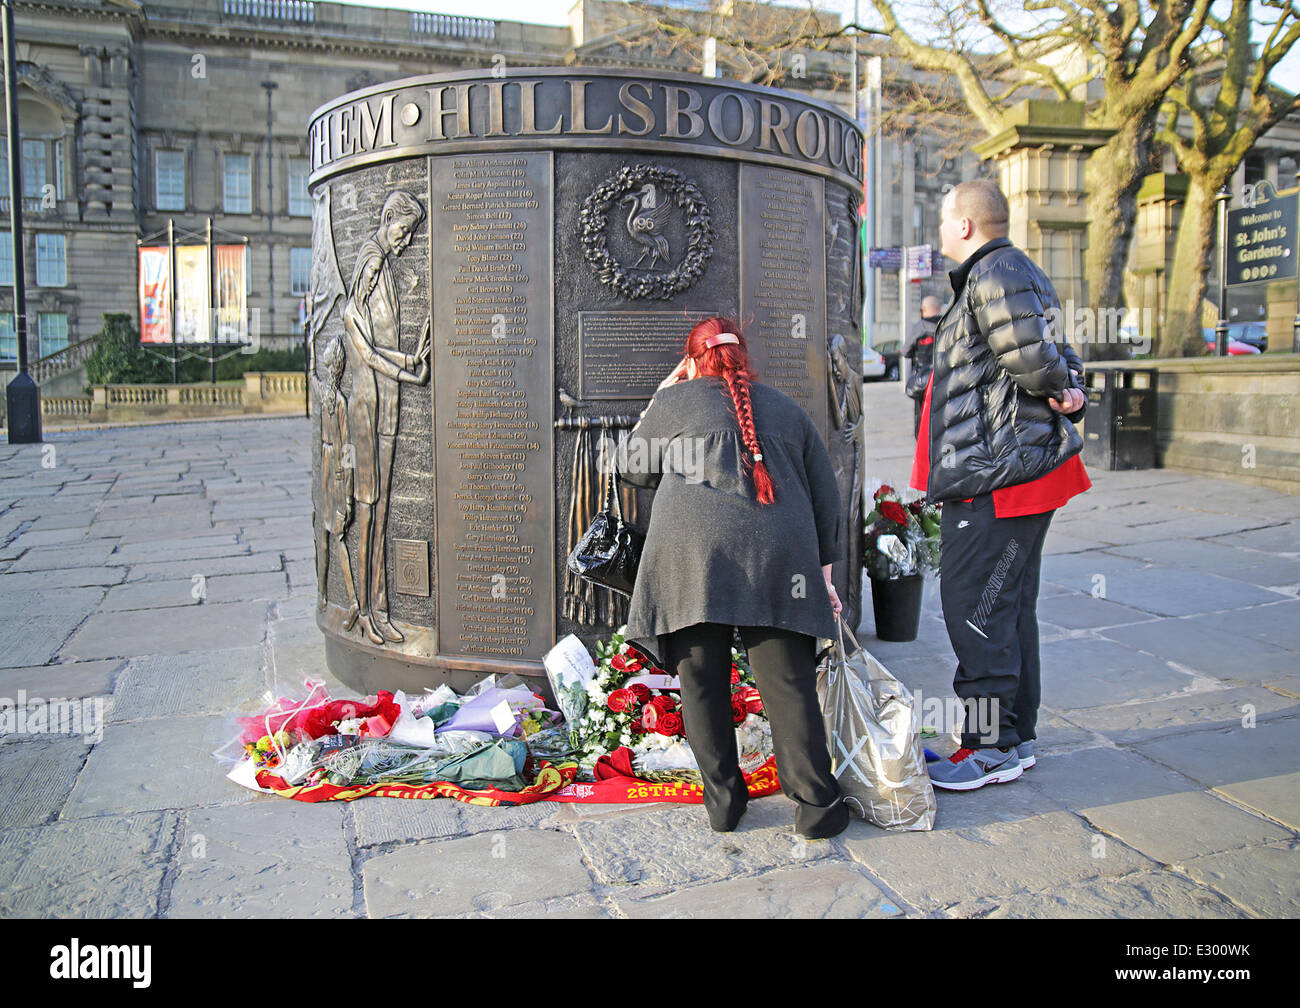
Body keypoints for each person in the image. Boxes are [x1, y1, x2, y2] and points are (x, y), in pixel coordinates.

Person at [616, 317, 850, 839]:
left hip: (691, 561)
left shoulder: (675, 404)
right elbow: (826, 502)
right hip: (781, 561)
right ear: (744, 357)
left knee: (701, 683)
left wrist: (663, 391)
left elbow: (631, 469)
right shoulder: (788, 409)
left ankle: (723, 803)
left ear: (693, 361)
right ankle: (817, 806)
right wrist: (825, 579)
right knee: (787, 684)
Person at [911, 179, 1090, 792]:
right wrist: (1068, 385)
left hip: (996, 475)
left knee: (976, 611)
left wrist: (1057, 383)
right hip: (1010, 471)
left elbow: (1035, 357)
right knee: (1010, 608)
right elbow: (1059, 353)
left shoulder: (994, 272)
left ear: (963, 226)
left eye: (942, 225)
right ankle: (1014, 739)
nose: (939, 236)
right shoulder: (1017, 271)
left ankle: (986, 748)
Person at [903, 295, 941, 437]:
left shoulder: (919, 328)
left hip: (923, 380)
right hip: (944, 377)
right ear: (938, 309)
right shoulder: (948, 324)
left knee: (921, 414)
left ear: (923, 309)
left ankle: (922, 442)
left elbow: (906, 351)